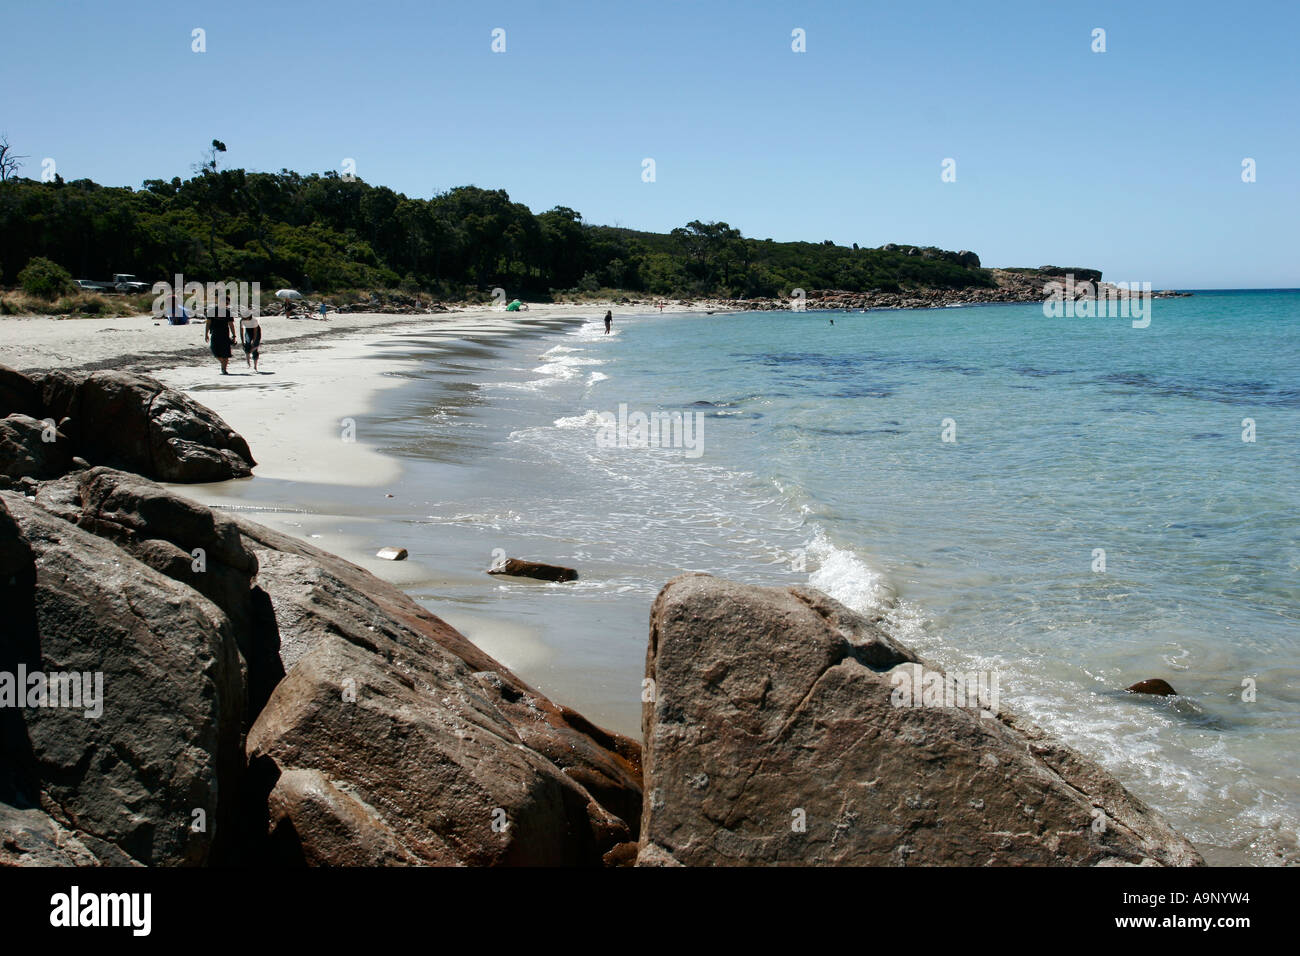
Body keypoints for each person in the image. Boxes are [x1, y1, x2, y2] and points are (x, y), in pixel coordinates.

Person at [205, 305, 235, 375]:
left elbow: (231, 324)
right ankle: (223, 363)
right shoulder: (212, 311)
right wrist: (206, 334)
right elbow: (208, 323)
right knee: (214, 349)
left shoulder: (227, 312)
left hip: (225, 334)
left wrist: (234, 335)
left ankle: (224, 369)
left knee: (226, 353)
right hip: (215, 333)